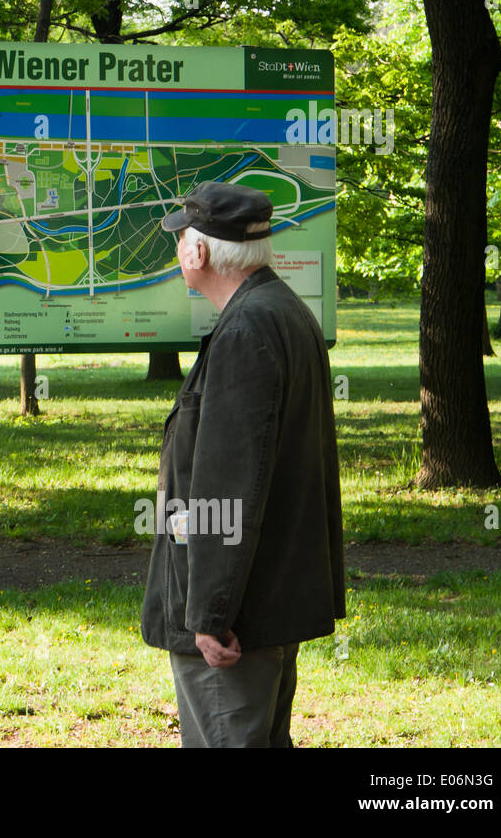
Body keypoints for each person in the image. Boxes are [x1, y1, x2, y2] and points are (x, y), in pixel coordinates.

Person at [140, 180, 345, 748]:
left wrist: (208, 615)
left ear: (198, 251)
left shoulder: (246, 329)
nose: (178, 248)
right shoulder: (282, 311)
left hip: (235, 628)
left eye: (180, 238)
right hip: (266, 602)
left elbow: (231, 484)